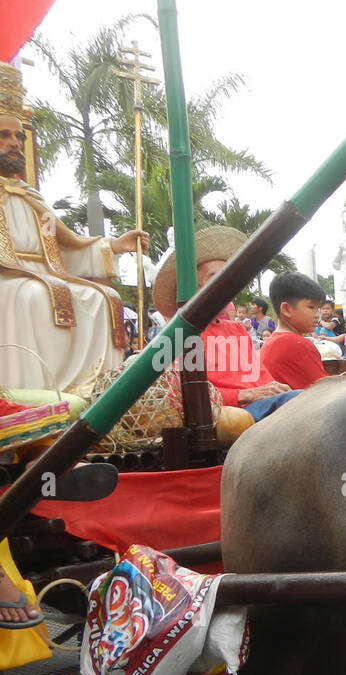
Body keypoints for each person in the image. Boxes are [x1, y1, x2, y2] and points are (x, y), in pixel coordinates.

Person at [0, 65, 149, 397]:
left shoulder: (31, 196)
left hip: (42, 275)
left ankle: (94, 394)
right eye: (4, 136)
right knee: (36, 297)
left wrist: (113, 247)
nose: (15, 144)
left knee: (104, 297)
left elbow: (64, 248)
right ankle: (36, 395)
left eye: (19, 137)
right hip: (7, 281)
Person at [151, 225, 297, 419]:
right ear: (191, 287)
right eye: (216, 277)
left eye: (227, 276)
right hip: (228, 415)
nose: (226, 284)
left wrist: (275, 389)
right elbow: (180, 397)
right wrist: (244, 394)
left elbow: (261, 379)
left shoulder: (236, 329)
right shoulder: (179, 334)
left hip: (263, 408)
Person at [261, 271, 329, 391]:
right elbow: (326, 391)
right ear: (286, 309)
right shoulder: (295, 343)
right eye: (311, 307)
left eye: (318, 308)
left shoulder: (270, 342)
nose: (317, 315)